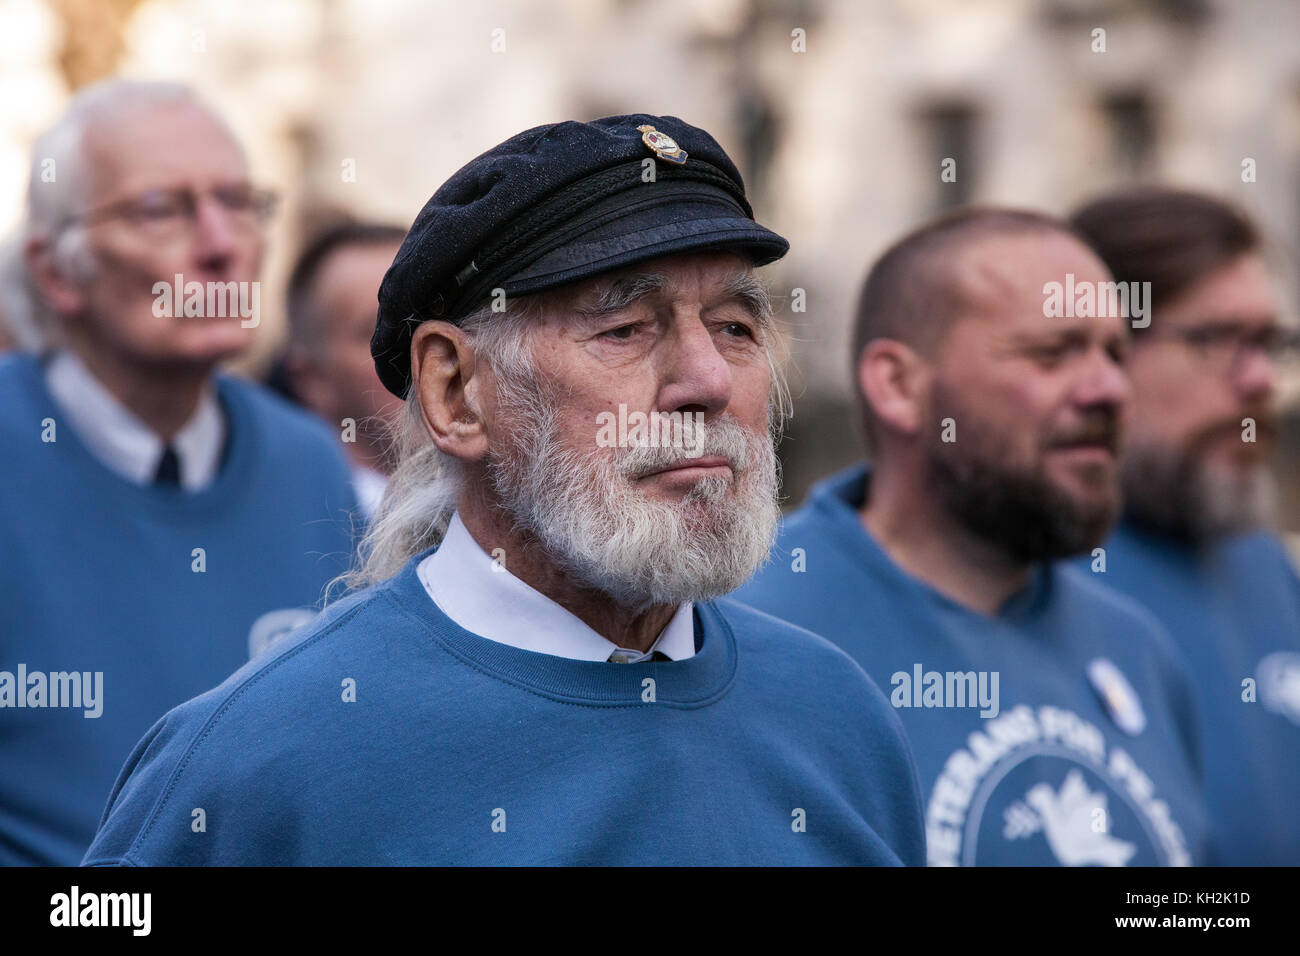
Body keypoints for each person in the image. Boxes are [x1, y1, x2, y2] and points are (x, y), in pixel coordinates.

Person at [82, 114, 925, 866]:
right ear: (455, 391)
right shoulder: (265, 760)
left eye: (736, 327)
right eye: (626, 328)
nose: (705, 379)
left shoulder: (836, 711)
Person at [736, 208, 1207, 866]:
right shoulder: (743, 637)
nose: (1110, 389)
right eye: (1052, 354)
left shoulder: (1137, 648)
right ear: (899, 386)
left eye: (1116, 355)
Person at [0, 79, 357, 866]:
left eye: (237, 200)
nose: (221, 243)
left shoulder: (307, 461)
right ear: (56, 271)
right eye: (161, 208)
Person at [1069, 187, 1300, 864]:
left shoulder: (1262, 563)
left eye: (1270, 343)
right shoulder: (1025, 575)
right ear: (1098, 354)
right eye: (1216, 339)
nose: (1260, 379)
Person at [277, 222, 406, 519]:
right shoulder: (294, 526)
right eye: (382, 333)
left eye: (433, 317)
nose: (421, 350)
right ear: (311, 379)